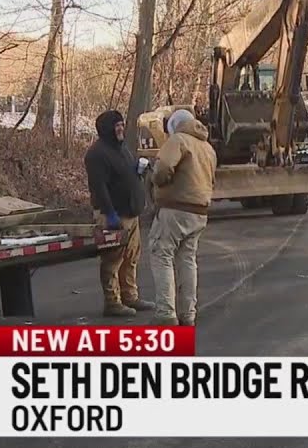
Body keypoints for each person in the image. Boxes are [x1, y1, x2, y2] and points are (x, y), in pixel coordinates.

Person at [148, 109, 217, 327]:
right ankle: (188, 314)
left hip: (175, 208)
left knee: (162, 254)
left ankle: (166, 313)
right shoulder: (207, 147)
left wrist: (155, 178)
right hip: (199, 210)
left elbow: (164, 168)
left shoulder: (178, 140)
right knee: (187, 259)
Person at [84, 110, 153, 317]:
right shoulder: (96, 154)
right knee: (113, 259)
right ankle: (112, 302)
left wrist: (138, 170)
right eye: (117, 126)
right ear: (107, 129)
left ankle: (129, 296)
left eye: (122, 125)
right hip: (113, 215)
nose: (121, 129)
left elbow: (126, 173)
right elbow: (99, 187)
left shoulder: (121, 148)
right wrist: (109, 214)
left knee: (131, 257)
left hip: (130, 213)